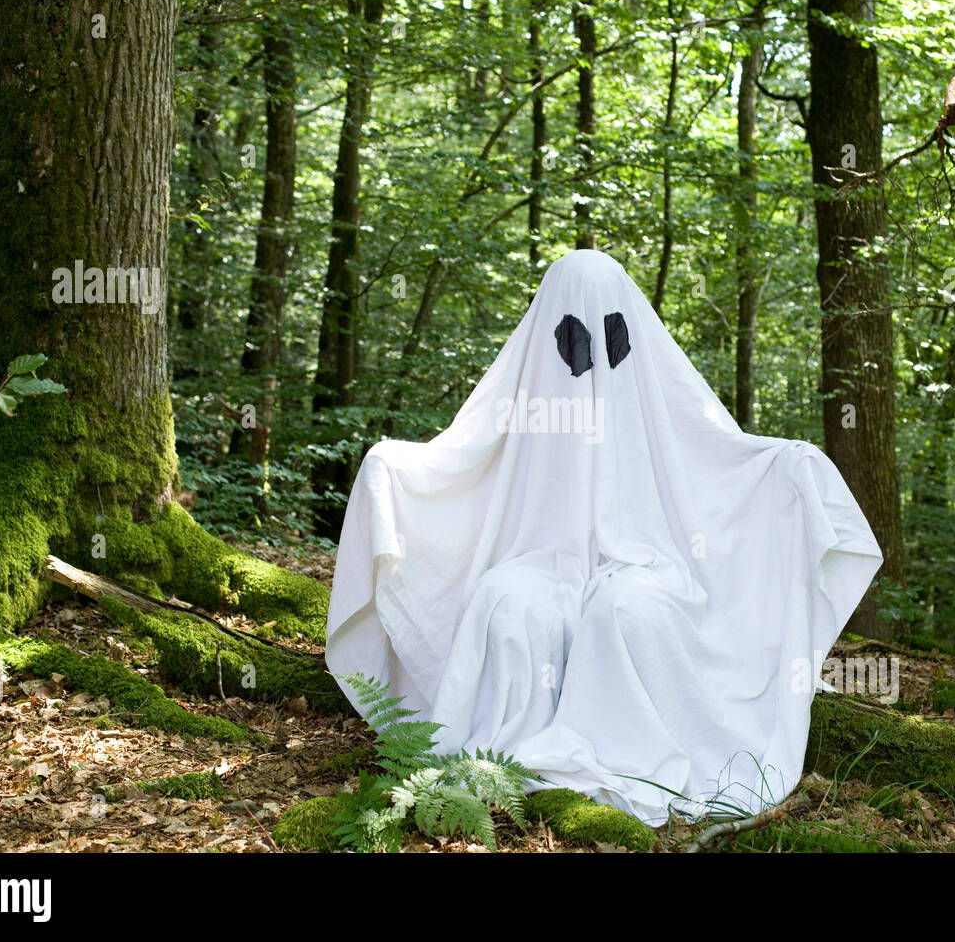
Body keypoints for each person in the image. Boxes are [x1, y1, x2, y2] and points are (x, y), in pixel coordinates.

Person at [325, 248, 883, 824]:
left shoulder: (654, 386)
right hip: (539, 560)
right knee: (509, 604)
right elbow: (468, 451)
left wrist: (791, 465)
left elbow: (714, 449)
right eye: (573, 329)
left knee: (625, 609)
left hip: (647, 562)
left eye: (605, 327)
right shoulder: (527, 381)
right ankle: (502, 764)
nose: (588, 351)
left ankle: (634, 758)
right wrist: (391, 468)